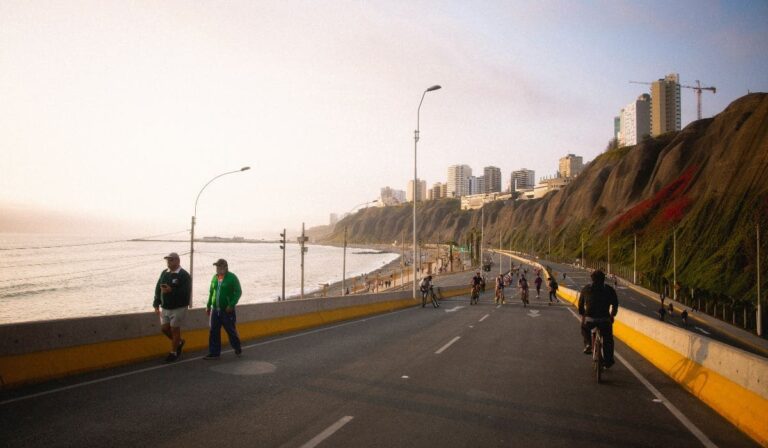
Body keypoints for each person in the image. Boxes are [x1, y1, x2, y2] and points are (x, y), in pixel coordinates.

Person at [153, 252, 191, 363]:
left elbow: (185, 292)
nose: (168, 262)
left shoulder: (184, 275)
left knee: (175, 329)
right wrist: (156, 303)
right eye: (167, 260)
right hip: (165, 307)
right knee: (164, 329)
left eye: (171, 260)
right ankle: (179, 342)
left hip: (179, 307)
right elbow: (158, 289)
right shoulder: (164, 273)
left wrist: (171, 291)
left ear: (177, 261)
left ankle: (173, 352)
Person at [578, 270, 619, 369]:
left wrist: (583, 315)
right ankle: (608, 360)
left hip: (590, 319)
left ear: (592, 279)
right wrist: (612, 315)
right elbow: (615, 304)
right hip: (605, 319)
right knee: (608, 339)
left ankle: (588, 344)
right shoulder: (609, 290)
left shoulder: (586, 288)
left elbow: (580, 305)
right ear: (603, 279)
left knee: (584, 328)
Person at [204, 259, 243, 360]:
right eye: (217, 267)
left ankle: (237, 347)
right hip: (215, 310)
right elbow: (211, 293)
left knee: (231, 331)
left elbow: (238, 292)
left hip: (227, 311)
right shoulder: (214, 278)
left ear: (225, 267)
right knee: (213, 331)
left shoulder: (232, 277)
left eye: (219, 267)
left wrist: (231, 304)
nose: (217, 269)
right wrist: (208, 306)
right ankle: (214, 352)